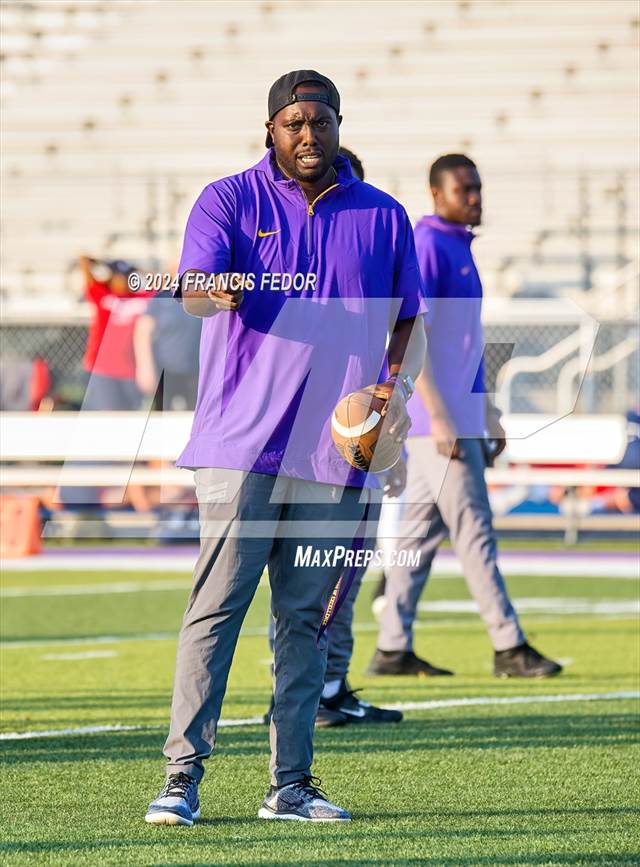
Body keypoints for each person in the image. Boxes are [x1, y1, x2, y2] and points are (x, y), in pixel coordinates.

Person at [145, 70, 427, 827]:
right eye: (294, 122)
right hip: (241, 445)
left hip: (333, 457)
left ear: (339, 124)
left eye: (321, 121)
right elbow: (193, 287)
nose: (309, 134)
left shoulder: (385, 215)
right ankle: (181, 776)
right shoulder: (229, 199)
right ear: (270, 127)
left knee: (303, 622)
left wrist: (391, 395)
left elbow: (407, 320)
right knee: (218, 612)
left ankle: (290, 785)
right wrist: (215, 288)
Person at [367, 154, 563, 680]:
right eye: (465, 189)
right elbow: (413, 337)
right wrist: (442, 416)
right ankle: (508, 645)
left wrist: (490, 411)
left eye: (477, 188)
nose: (475, 198)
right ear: (437, 194)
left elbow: (464, 347)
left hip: (457, 419)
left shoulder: (457, 246)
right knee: (475, 534)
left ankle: (391, 647)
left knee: (415, 541)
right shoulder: (428, 245)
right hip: (441, 425)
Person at [262, 146, 403, 729]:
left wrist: (386, 445)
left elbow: (394, 356)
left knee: (349, 567)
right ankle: (306, 692)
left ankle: (332, 683)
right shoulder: (308, 276)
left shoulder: (377, 263)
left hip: (361, 443)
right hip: (313, 450)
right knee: (310, 579)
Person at [80, 256, 146, 410]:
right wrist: (94, 262)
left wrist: (142, 271)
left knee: (131, 413)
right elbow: (86, 267)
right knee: (108, 414)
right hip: (103, 369)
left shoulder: (139, 298)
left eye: (126, 276)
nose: (122, 280)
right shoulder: (102, 295)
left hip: (130, 369)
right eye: (118, 276)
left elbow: (159, 287)